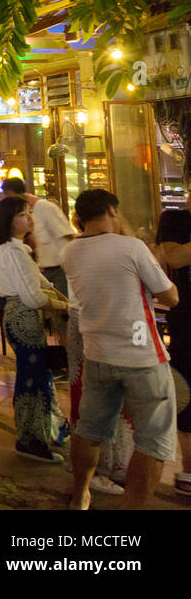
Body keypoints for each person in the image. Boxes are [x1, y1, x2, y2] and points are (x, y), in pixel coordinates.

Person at [66, 189, 180, 508]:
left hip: (98, 356)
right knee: (154, 440)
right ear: (112, 211)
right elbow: (169, 296)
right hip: (142, 355)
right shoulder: (131, 248)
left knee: (89, 430)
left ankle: (80, 497)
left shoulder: (70, 253)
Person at [0, 195, 71, 464]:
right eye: (23, 214)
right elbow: (33, 297)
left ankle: (42, 433)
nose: (30, 218)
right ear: (9, 220)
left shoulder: (11, 249)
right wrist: (62, 306)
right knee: (33, 379)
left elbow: (40, 284)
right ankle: (31, 439)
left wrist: (58, 297)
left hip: (19, 317)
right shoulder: (14, 253)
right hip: (24, 317)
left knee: (36, 376)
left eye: (29, 213)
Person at [156, 192, 191, 497]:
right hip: (187, 320)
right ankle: (189, 471)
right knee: (189, 397)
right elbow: (174, 257)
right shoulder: (174, 219)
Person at [2, 176, 73, 298]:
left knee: (65, 307)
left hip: (60, 270)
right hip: (45, 270)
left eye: (7, 195)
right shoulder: (27, 212)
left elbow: (67, 235)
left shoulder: (44, 207)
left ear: (12, 194)